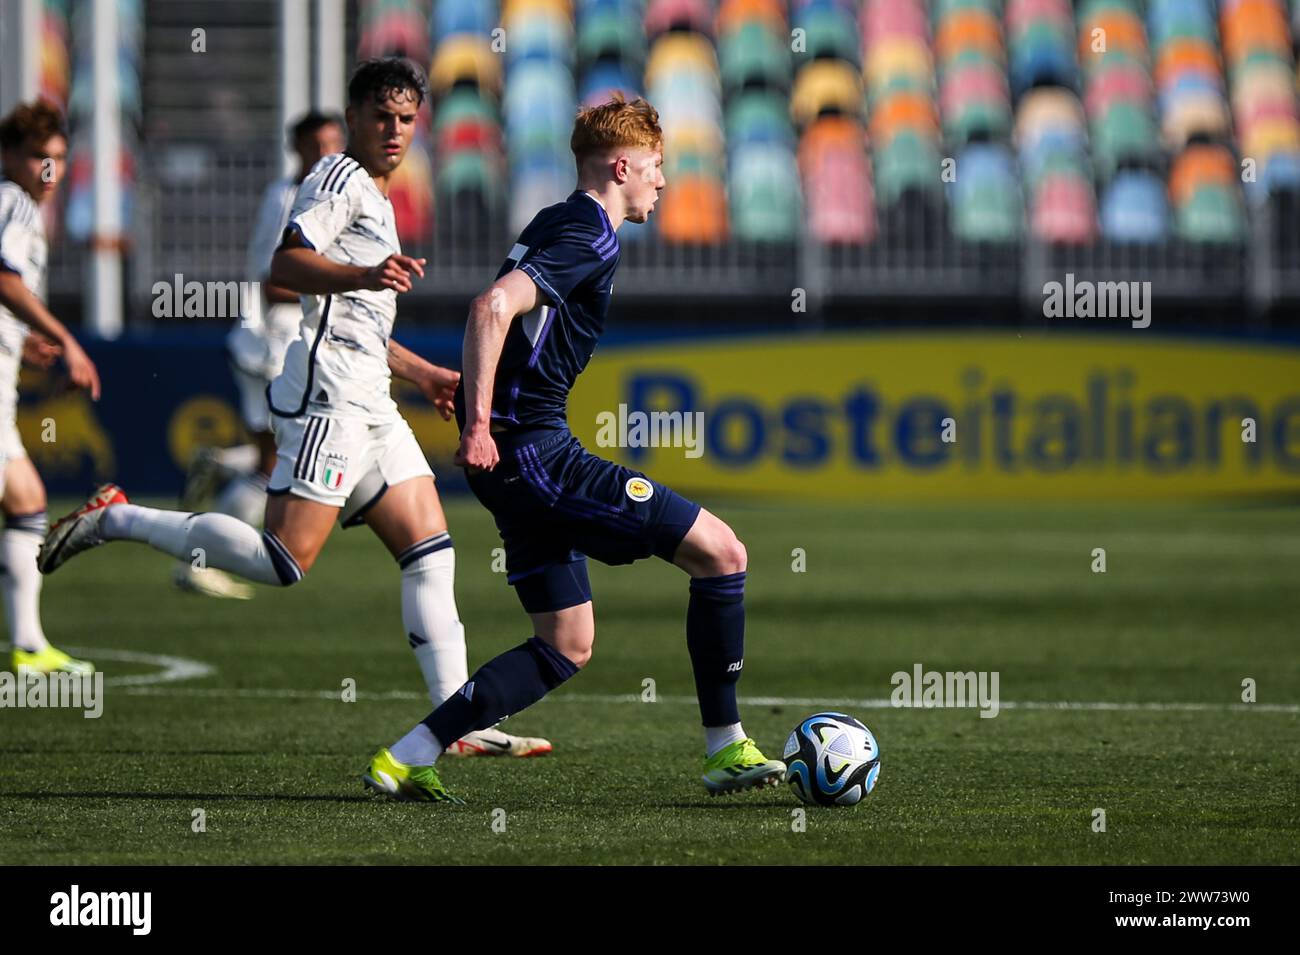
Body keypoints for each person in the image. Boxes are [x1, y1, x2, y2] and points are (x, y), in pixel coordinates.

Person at [39, 59, 549, 758]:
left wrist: (422, 370)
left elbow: (359, 317)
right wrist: (365, 272)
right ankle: (116, 517)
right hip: (328, 400)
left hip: (371, 397)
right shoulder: (338, 178)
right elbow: (285, 266)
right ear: (355, 116)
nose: (394, 130)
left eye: (405, 119)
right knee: (284, 560)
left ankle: (452, 726)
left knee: (430, 549)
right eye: (380, 116)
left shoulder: (376, 190)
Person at [363, 94, 784, 802]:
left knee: (565, 643)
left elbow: (498, 311)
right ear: (623, 165)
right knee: (724, 552)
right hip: (536, 454)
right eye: (656, 167)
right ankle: (725, 748)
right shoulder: (588, 234)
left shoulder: (554, 219)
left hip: (516, 459)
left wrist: (477, 417)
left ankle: (407, 755)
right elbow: (491, 306)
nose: (662, 182)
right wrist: (478, 425)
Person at [174, 110, 345, 601]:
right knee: (278, 462)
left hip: (273, 344)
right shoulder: (291, 198)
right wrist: (344, 289)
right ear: (298, 148)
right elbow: (276, 283)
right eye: (316, 146)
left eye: (333, 144)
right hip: (274, 346)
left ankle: (224, 463)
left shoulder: (308, 195)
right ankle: (197, 558)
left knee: (279, 454)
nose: (325, 154)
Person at [0, 99, 103, 675]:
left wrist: (28, 342)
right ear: (11, 156)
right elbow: (4, 280)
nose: (49, 170)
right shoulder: (13, 203)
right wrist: (65, 338)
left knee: (27, 501)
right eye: (39, 156)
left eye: (58, 159)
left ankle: (30, 646)